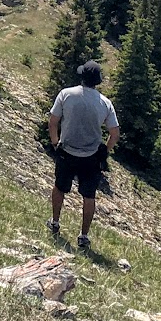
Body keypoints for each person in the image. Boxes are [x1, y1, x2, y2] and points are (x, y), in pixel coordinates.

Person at [48, 59, 119, 250]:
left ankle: (55, 222)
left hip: (67, 151)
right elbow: (115, 133)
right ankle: (84, 235)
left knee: (59, 187)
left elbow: (53, 121)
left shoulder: (66, 94)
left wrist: (55, 143)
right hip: (91, 156)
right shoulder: (105, 103)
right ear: (98, 81)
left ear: (82, 77)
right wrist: (105, 150)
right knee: (89, 196)